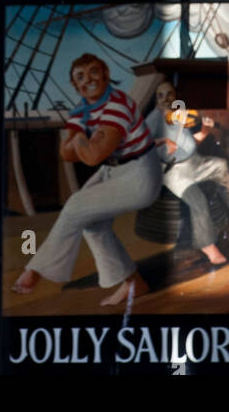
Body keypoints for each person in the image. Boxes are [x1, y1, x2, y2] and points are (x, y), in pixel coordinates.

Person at [12, 53, 161, 306]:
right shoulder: (82, 109)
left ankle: (35, 271)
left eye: (93, 72)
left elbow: (90, 156)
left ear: (105, 75)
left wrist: (79, 137)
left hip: (139, 174)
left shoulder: (117, 106)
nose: (88, 80)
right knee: (92, 223)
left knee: (75, 206)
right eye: (80, 77)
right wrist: (83, 140)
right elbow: (66, 154)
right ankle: (133, 283)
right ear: (75, 85)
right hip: (114, 171)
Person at [146, 79, 229, 267]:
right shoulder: (155, 118)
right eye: (160, 95)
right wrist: (162, 141)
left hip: (195, 162)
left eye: (169, 94)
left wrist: (205, 130)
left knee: (220, 166)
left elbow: (192, 143)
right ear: (156, 99)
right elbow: (142, 143)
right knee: (198, 201)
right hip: (176, 171)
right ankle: (209, 248)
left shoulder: (180, 114)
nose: (165, 99)